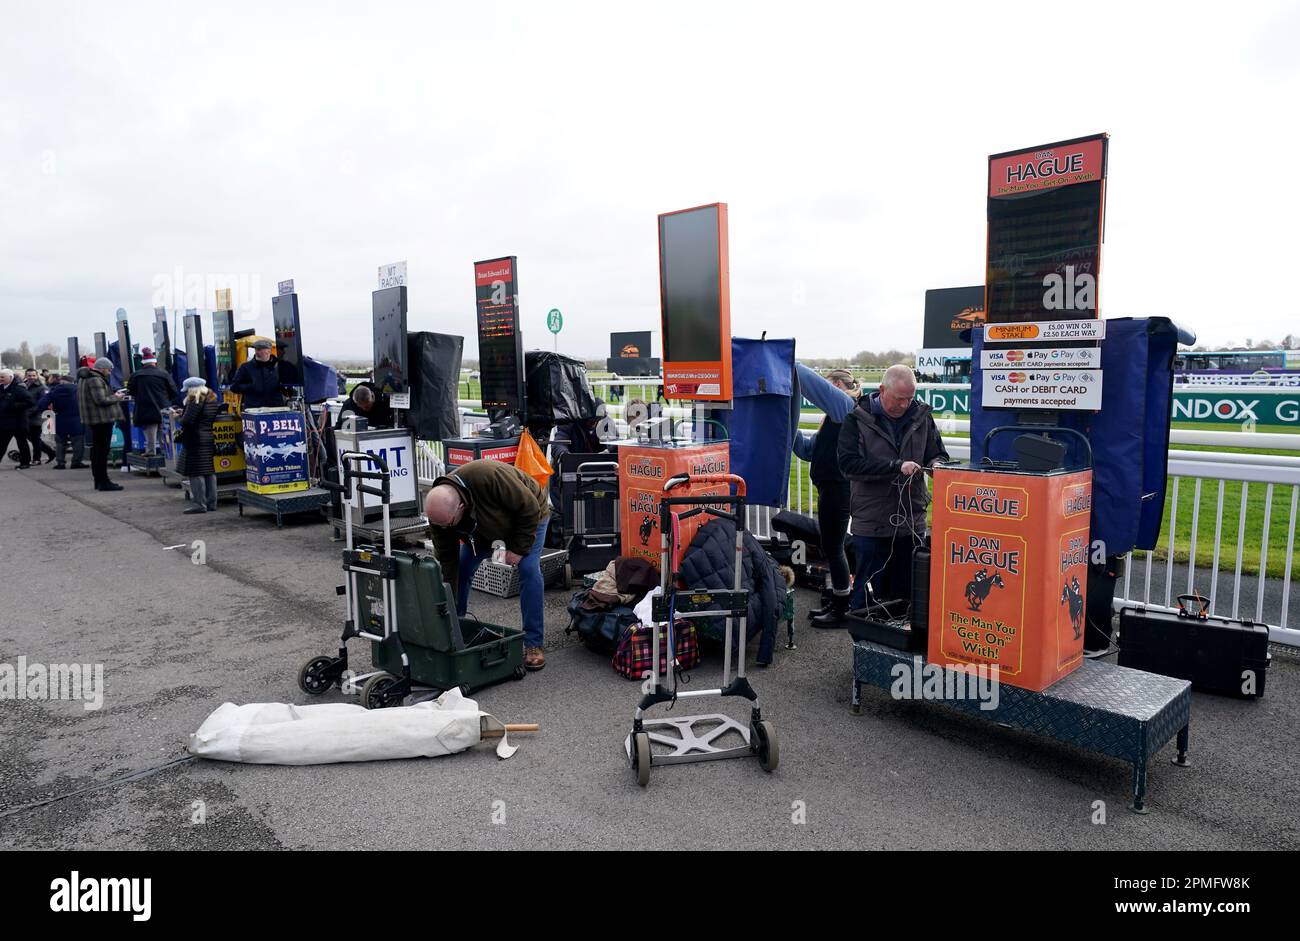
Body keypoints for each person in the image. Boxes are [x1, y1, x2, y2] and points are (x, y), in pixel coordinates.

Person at [838, 364, 949, 610]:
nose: (904, 405)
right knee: (867, 596)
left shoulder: (921, 416)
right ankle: (864, 645)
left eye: (910, 399)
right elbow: (848, 465)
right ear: (882, 390)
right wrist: (895, 466)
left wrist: (937, 464)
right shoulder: (855, 420)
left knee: (910, 596)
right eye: (899, 399)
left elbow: (938, 453)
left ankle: (903, 646)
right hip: (872, 524)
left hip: (912, 522)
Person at [424, 459, 551, 672]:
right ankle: (455, 628)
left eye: (447, 524)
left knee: (529, 570)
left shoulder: (488, 476)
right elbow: (448, 560)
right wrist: (447, 598)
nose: (443, 528)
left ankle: (533, 643)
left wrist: (519, 549)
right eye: (440, 525)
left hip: (529, 517)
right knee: (461, 569)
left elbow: (529, 508)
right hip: (483, 531)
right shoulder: (440, 515)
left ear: (461, 507)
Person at [792, 366, 860, 626]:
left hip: (838, 487)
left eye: (831, 388)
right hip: (829, 487)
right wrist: (788, 428)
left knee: (834, 547)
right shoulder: (833, 417)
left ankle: (842, 609)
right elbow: (809, 451)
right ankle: (837, 599)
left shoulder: (846, 406)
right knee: (831, 546)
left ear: (840, 386)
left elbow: (809, 382)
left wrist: (790, 363)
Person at [76, 358, 126, 491]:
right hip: (102, 419)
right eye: (109, 369)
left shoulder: (84, 378)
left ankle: (98, 481)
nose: (109, 372)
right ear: (102, 368)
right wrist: (117, 397)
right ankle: (104, 482)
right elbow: (101, 400)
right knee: (102, 452)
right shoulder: (95, 379)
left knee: (97, 451)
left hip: (93, 419)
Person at [175, 376, 222, 513]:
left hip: (195, 439)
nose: (186, 393)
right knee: (208, 471)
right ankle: (211, 503)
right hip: (207, 437)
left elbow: (187, 422)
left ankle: (199, 504)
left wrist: (177, 416)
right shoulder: (211, 399)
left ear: (192, 389)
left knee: (195, 472)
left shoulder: (196, 400)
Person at [126, 347, 177, 456]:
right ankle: (166, 453)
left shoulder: (136, 375)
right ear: (155, 362)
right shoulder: (164, 374)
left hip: (145, 408)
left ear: (143, 363)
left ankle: (150, 451)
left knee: (150, 431)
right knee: (164, 431)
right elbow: (173, 391)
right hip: (163, 407)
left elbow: (130, 391)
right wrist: (167, 400)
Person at [36, 375, 86, 469]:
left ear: (61, 382)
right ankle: (76, 462)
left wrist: (50, 411)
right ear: (72, 382)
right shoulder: (78, 389)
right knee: (78, 442)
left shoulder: (54, 391)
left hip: (60, 418)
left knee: (60, 443)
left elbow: (41, 404)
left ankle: (60, 463)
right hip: (76, 419)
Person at [228, 339, 286, 410]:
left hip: (276, 408)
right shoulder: (245, 367)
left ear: (269, 351)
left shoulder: (280, 367)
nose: (258, 351)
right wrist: (251, 387)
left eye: (261, 349)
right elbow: (234, 387)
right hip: (254, 410)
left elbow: (288, 385)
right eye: (256, 349)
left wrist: (286, 388)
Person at [0, 369, 33, 469]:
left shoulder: (19, 388)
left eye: (2, 377)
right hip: (5, 422)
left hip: (18, 422)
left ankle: (25, 462)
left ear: (10, 378)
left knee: (22, 443)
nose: (0, 379)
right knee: (1, 443)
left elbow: (30, 402)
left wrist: (14, 406)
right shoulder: (1, 388)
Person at [22, 369, 56, 464]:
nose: (31, 377)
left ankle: (36, 459)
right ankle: (51, 452)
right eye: (29, 375)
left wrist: (28, 413)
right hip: (26, 418)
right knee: (32, 438)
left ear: (37, 376)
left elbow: (41, 404)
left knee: (35, 439)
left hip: (36, 417)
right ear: (26, 376)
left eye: (33, 375)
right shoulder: (24, 386)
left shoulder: (42, 388)